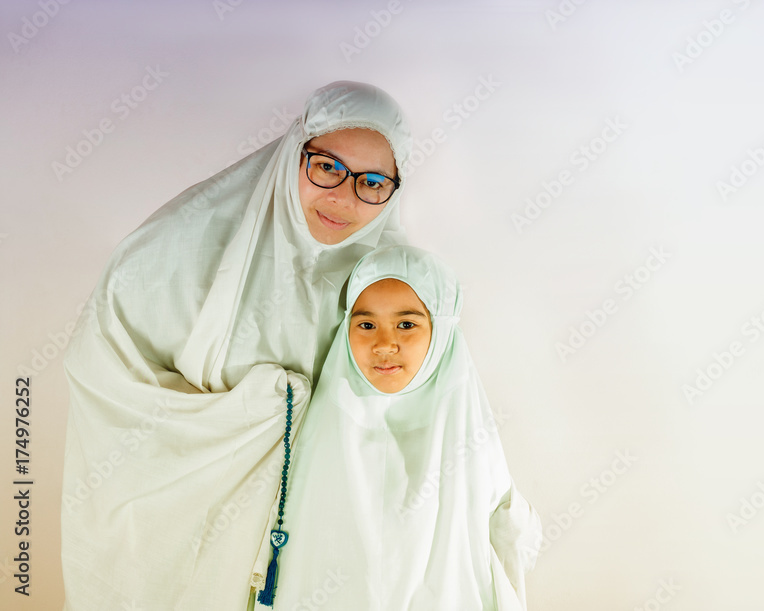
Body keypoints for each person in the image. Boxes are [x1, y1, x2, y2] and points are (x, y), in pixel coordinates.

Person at [61, 81, 414, 610]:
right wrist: (259, 409)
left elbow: (417, 406)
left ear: (393, 189)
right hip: (177, 522)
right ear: (293, 153)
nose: (344, 196)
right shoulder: (183, 243)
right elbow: (103, 372)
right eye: (327, 167)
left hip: (308, 536)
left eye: (371, 182)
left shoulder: (396, 283)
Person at [250, 245, 541, 610]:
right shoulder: (307, 423)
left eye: (406, 324)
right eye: (366, 324)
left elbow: (509, 545)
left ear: (441, 328)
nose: (384, 344)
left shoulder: (469, 437)